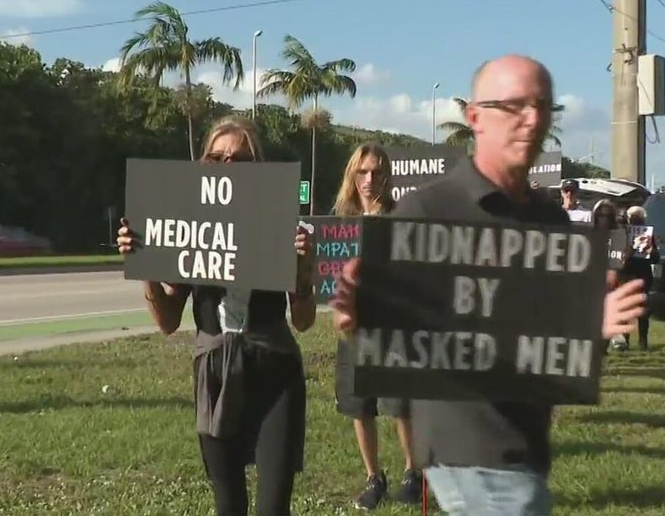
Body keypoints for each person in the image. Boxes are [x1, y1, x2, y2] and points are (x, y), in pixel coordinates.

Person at [329, 54, 645, 515]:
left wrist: (588, 326)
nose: (533, 119)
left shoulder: (550, 220)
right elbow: (388, 338)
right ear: (475, 118)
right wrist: (358, 321)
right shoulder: (425, 211)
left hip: (528, 451)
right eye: (514, 106)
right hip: (469, 457)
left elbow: (549, 346)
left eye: (543, 105)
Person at [116, 115, 317, 516]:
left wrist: (304, 269)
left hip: (274, 371)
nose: (228, 166)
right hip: (214, 373)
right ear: (204, 165)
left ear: (256, 168)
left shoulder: (279, 222)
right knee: (228, 505)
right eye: (217, 157)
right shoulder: (188, 223)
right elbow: (168, 321)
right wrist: (145, 268)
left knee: (273, 507)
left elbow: (305, 320)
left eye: (240, 159)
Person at [331, 143, 421, 510]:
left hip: (392, 328)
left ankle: (414, 472)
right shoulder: (339, 220)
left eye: (377, 173)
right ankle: (374, 477)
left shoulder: (400, 218)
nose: (370, 180)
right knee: (359, 406)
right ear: (352, 176)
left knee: (400, 405)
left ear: (387, 177)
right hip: (353, 329)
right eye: (362, 172)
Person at [619, 205, 658, 351]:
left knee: (643, 310)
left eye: (639, 219)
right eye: (634, 219)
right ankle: (624, 341)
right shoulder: (623, 234)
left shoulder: (648, 234)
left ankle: (643, 341)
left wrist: (650, 249)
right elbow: (620, 256)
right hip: (627, 274)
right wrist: (633, 245)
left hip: (643, 275)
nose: (637, 222)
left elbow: (655, 258)